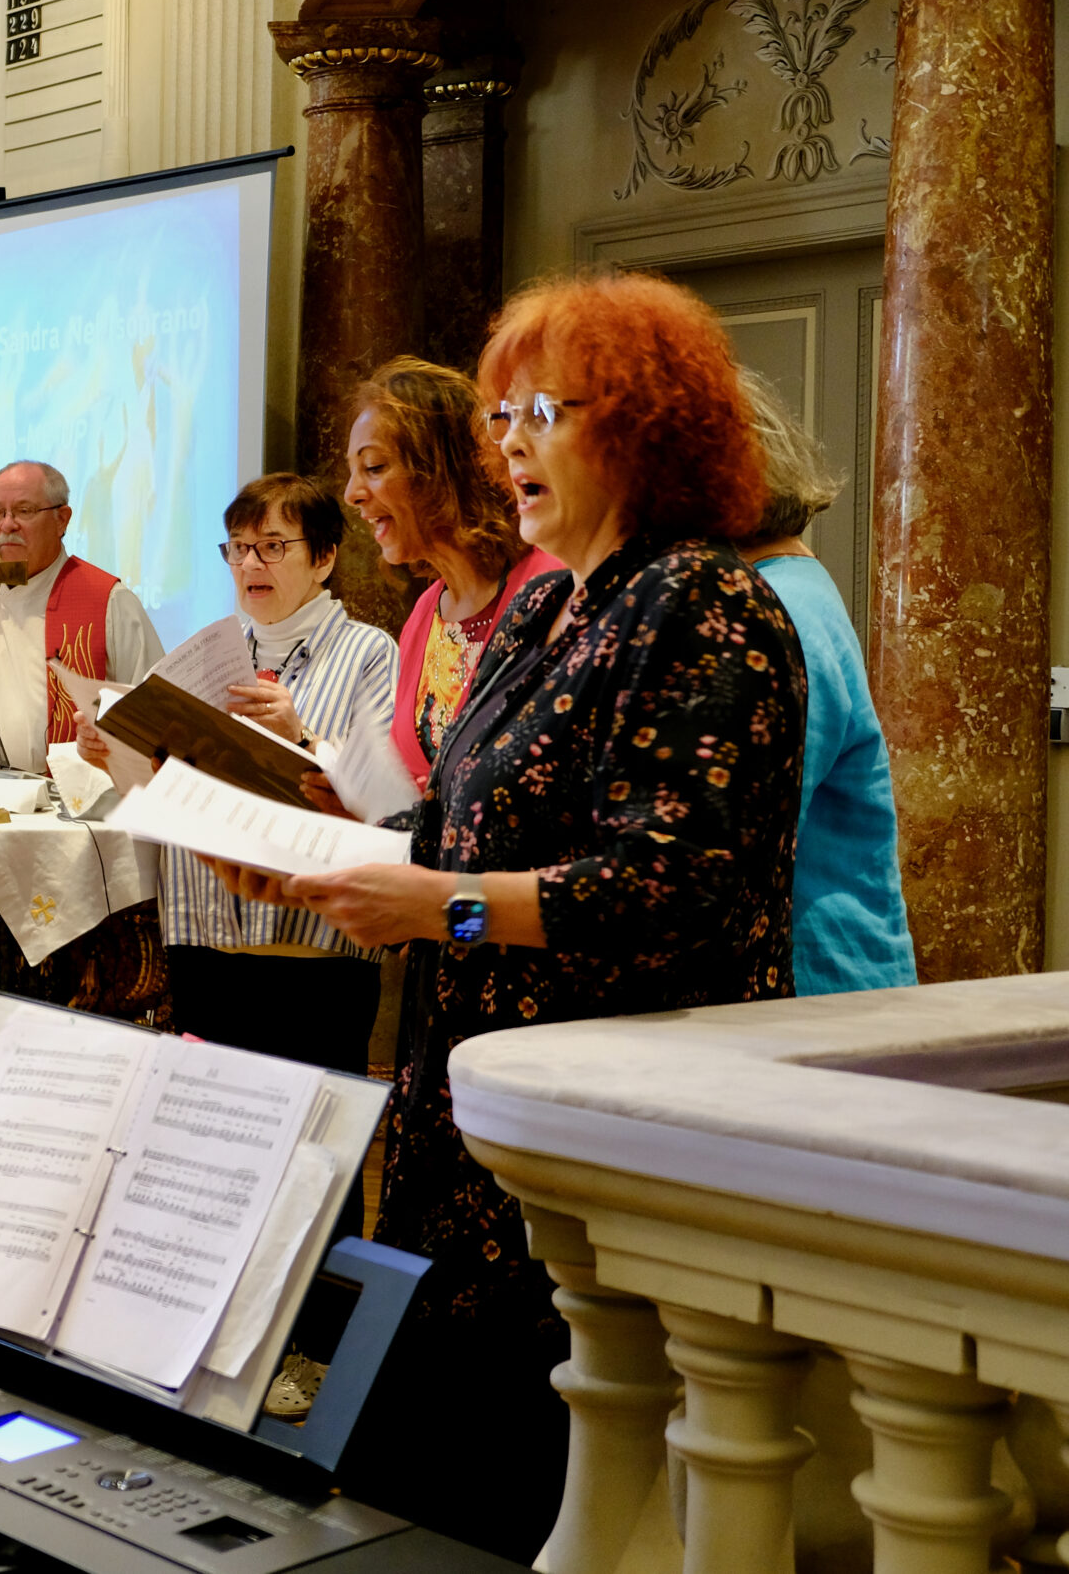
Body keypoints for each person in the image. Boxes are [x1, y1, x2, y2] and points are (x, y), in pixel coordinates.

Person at [214, 270, 806, 1562]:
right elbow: (457, 826)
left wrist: (440, 907)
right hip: (468, 1121)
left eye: (549, 409)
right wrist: (326, 858)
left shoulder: (706, 604)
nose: (514, 441)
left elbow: (674, 890)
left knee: (535, 1490)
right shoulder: (550, 611)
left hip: (607, 1132)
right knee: (423, 1489)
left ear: (649, 427)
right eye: (503, 413)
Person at [129, 474, 396, 1071]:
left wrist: (303, 737)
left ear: (324, 558)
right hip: (204, 933)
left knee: (310, 1149)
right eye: (238, 547)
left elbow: (389, 795)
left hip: (314, 951)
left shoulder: (369, 652)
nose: (251, 562)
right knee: (211, 1139)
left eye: (273, 546)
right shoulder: (210, 654)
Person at [735, 373, 917, 994]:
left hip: (816, 994)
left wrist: (460, 913)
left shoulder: (778, 609)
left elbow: (732, 856)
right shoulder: (774, 592)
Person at [340, 357, 562, 791]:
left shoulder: (552, 586)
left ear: (442, 469)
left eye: (375, 467)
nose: (352, 494)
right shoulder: (425, 615)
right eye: (352, 472)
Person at [0, 459, 162, 774]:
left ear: (62, 519)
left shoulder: (108, 602)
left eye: (24, 511)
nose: (7, 525)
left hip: (69, 813)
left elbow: (151, 720)